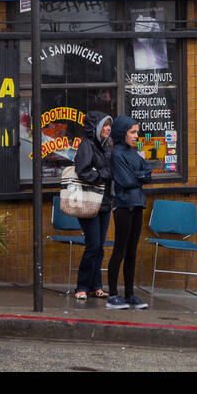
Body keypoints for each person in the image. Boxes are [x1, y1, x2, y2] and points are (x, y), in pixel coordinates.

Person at [106, 116, 150, 310]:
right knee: (120, 250)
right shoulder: (116, 155)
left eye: (136, 132)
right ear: (121, 133)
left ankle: (130, 293)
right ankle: (113, 294)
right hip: (123, 206)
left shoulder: (133, 153)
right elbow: (126, 181)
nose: (136, 135)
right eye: (132, 132)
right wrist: (138, 176)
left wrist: (138, 176)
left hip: (138, 204)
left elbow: (148, 174)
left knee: (132, 251)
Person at [72, 111, 114, 300]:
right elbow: (83, 172)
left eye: (108, 125)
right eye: (104, 125)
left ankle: (96, 285)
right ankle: (81, 285)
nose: (108, 128)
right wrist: (104, 174)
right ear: (95, 128)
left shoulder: (105, 146)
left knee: (99, 247)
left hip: (104, 203)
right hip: (89, 202)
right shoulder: (87, 145)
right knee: (93, 245)